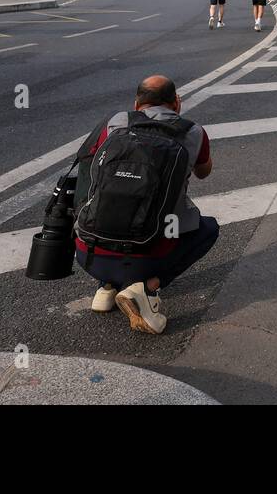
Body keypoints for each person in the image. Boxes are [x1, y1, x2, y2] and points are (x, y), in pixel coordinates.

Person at [75, 75, 218, 335]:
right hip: (149, 254)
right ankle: (147, 287)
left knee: (112, 202)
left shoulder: (115, 123)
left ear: (136, 103)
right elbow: (204, 172)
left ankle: (105, 288)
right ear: (176, 102)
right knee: (208, 229)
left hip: (89, 253)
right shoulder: (193, 132)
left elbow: (90, 172)